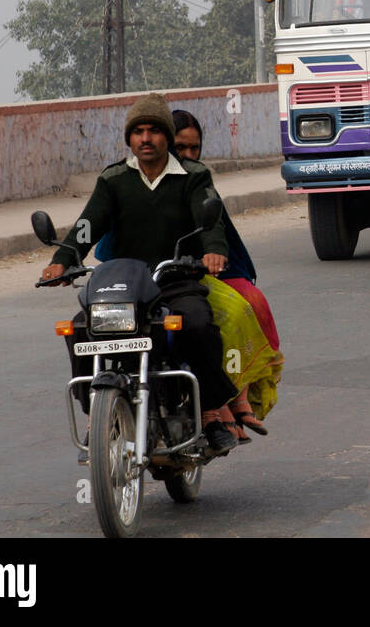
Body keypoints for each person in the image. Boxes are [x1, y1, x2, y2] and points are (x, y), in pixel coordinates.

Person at [40, 93, 241, 455]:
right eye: (138, 132)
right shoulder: (115, 179)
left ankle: (211, 412)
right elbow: (88, 225)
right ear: (129, 139)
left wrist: (213, 251)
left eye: (153, 131)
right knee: (81, 328)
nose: (145, 139)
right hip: (123, 284)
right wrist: (63, 259)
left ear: (166, 136)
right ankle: (96, 415)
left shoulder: (193, 176)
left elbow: (208, 219)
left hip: (174, 279)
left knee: (196, 324)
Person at [169, 110, 281, 439]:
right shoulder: (125, 181)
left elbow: (215, 231)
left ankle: (232, 401)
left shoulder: (198, 179)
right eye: (180, 148)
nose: (188, 156)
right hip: (149, 276)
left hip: (197, 272)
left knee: (241, 307)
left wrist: (214, 256)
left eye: (194, 149)